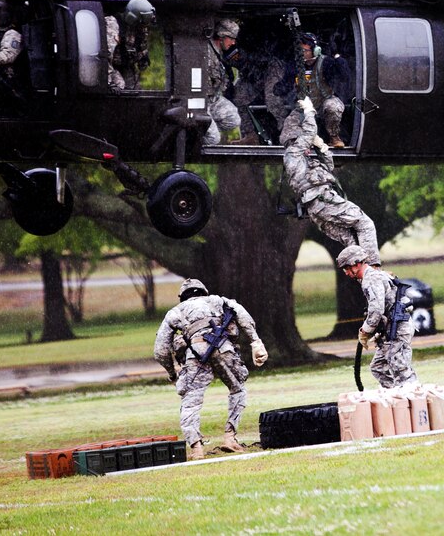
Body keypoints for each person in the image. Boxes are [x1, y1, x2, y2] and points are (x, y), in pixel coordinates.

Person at [153, 278, 268, 460]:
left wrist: (171, 373)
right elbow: (243, 316)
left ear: (182, 297)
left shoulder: (175, 312)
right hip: (224, 349)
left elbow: (160, 350)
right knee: (237, 389)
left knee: (190, 401)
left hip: (195, 355)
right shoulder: (219, 301)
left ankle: (196, 448)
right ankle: (230, 437)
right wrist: (256, 342)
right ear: (203, 291)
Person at [281, 97, 380, 264]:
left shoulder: (303, 157)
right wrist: (309, 111)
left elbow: (329, 168)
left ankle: (364, 270)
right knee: (365, 223)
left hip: (318, 207)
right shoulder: (293, 153)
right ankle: (374, 267)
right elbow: (310, 132)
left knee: (351, 240)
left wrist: (323, 149)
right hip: (323, 201)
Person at [337, 244, 417, 388]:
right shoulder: (373, 277)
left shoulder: (371, 279)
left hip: (398, 328)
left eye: (347, 268)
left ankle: (412, 401)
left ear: (356, 264)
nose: (346, 273)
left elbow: (376, 310)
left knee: (400, 369)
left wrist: (365, 331)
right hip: (391, 327)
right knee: (378, 367)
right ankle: (394, 397)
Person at [228, 35, 293, 144]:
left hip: (270, 66)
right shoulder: (231, 46)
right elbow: (231, 65)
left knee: (273, 99)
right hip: (251, 73)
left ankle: (288, 135)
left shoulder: (258, 33)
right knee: (238, 98)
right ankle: (250, 135)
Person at [297, 32, 348, 147]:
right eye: (300, 50)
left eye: (305, 51)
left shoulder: (326, 62)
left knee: (333, 107)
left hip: (323, 101)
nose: (302, 53)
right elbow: (284, 86)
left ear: (315, 50)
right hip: (304, 106)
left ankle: (334, 137)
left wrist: (336, 55)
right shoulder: (295, 65)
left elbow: (344, 75)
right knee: (288, 129)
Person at [201, 18, 242, 149]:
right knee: (213, 139)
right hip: (201, 101)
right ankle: (199, 135)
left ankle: (203, 129)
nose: (233, 42)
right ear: (222, 36)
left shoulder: (219, 52)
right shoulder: (206, 52)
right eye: (231, 38)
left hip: (213, 99)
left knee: (233, 118)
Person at [106, 0, 153, 91]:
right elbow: (107, 55)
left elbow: (141, 47)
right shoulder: (113, 23)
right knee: (120, 86)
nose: (143, 26)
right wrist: (109, 81)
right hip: (112, 67)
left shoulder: (139, 28)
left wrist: (142, 57)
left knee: (137, 91)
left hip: (127, 66)